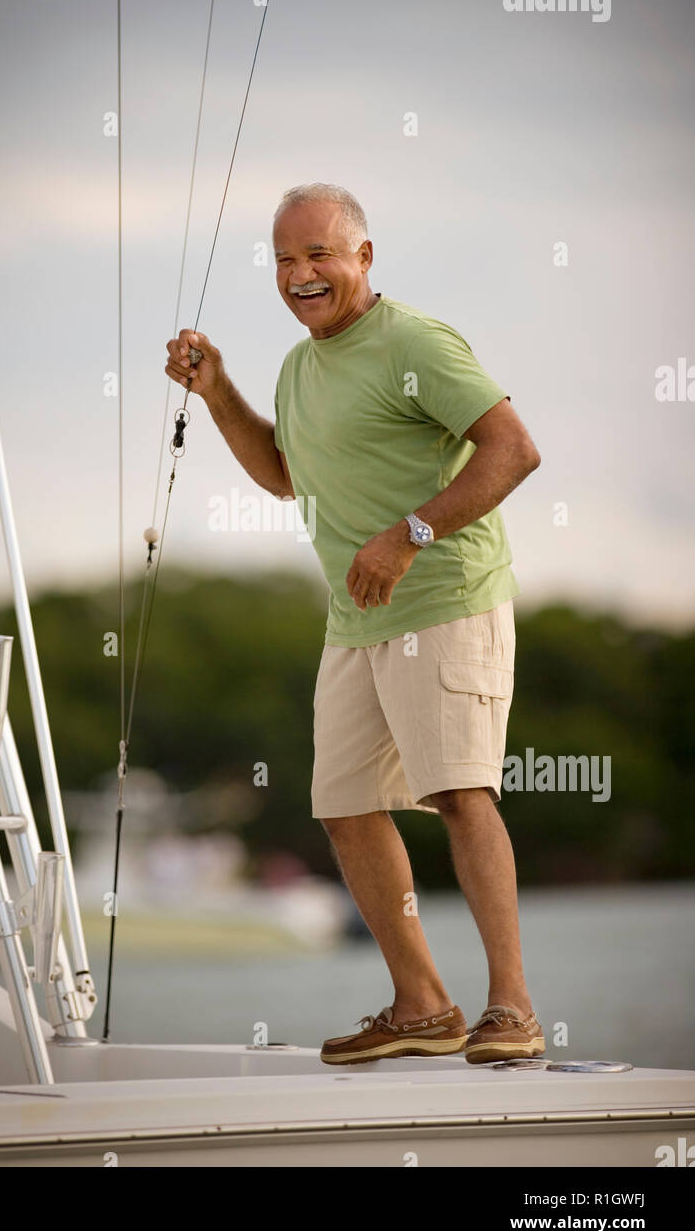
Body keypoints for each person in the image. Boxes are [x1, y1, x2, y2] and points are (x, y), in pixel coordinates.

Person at [164, 182, 543, 1066]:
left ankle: (514, 1009)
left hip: (448, 600)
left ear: (364, 258)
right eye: (286, 259)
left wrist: (410, 535)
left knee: (459, 793)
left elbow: (514, 449)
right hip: (356, 621)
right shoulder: (300, 366)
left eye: (319, 254)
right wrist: (218, 389)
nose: (301, 274)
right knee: (342, 806)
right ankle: (422, 1005)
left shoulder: (414, 341)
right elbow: (283, 476)